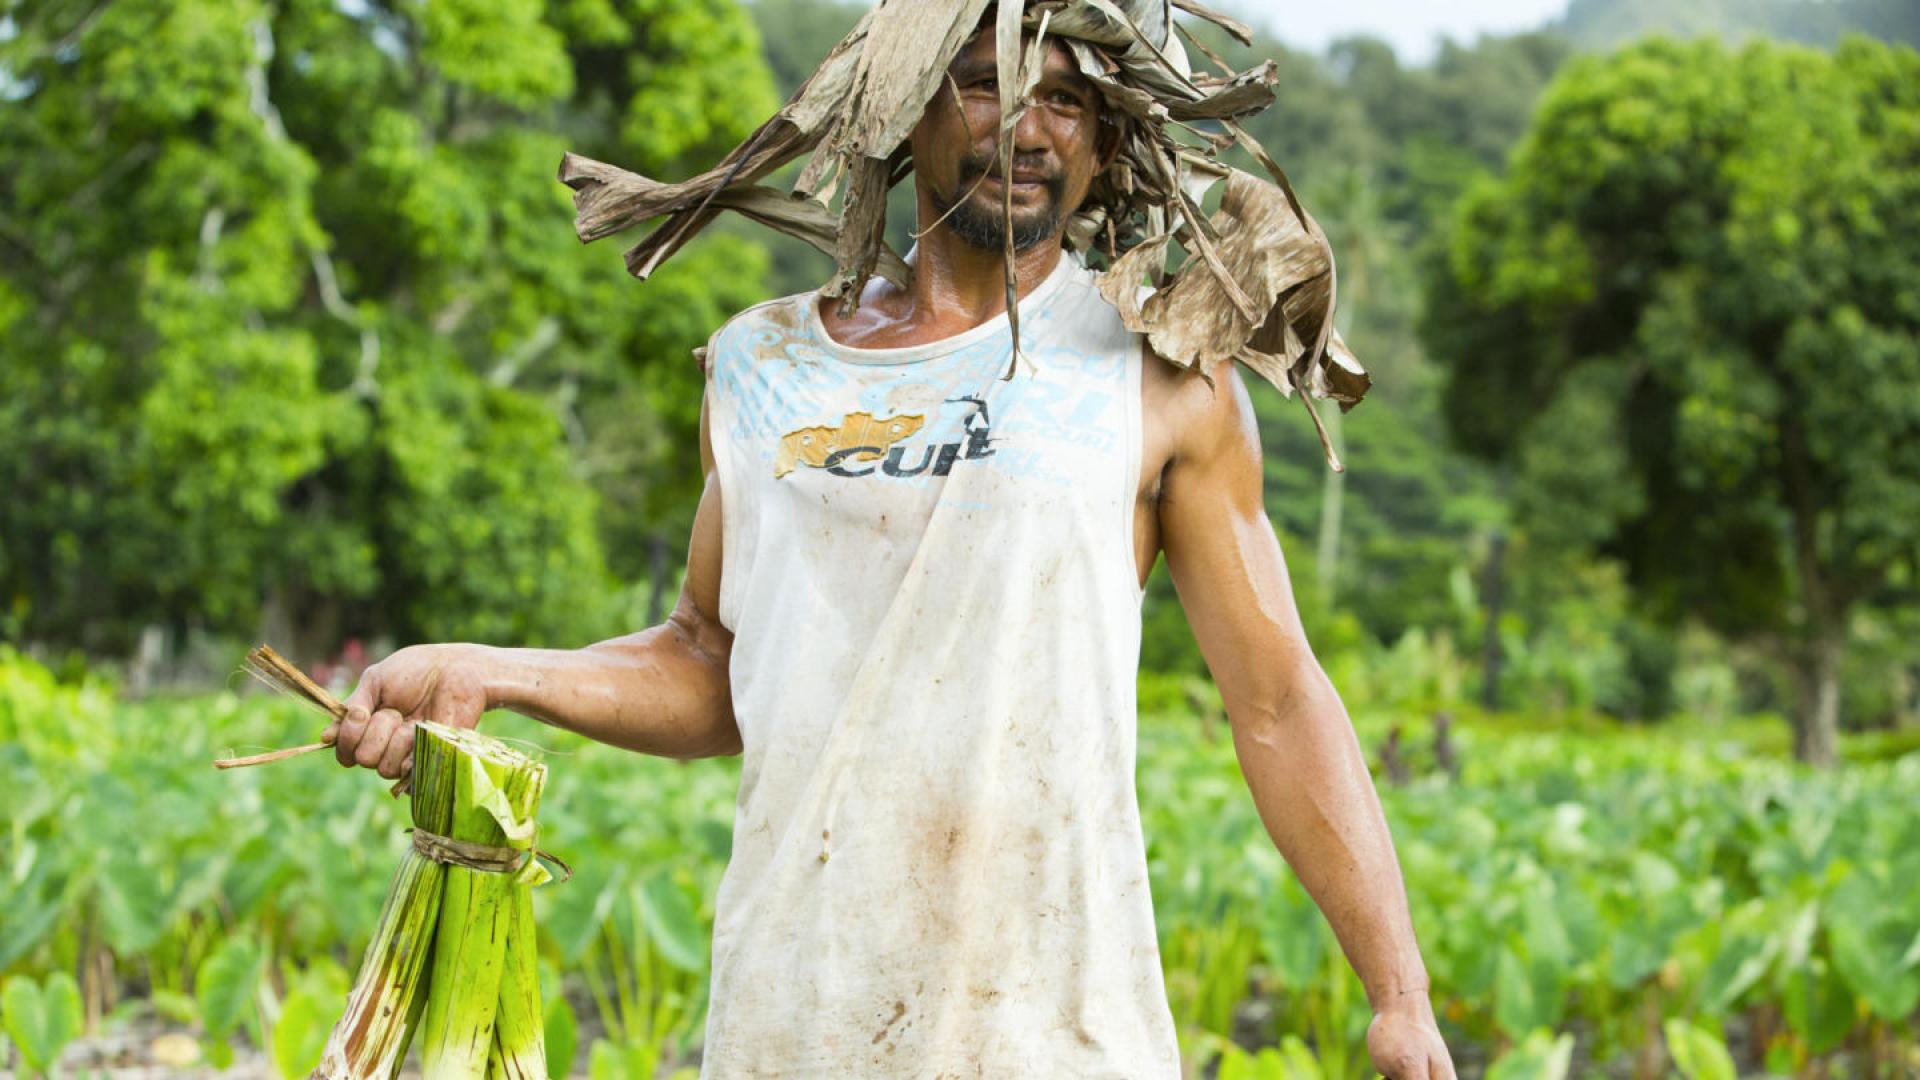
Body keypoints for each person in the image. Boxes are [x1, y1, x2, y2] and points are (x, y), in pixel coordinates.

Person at [328, 8, 1456, 1079]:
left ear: (1105, 136)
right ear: (901, 108)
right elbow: (712, 664)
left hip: (1055, 1026)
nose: (1025, 125)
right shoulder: (764, 368)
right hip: (797, 1013)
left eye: (1065, 98)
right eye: (982, 83)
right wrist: (490, 672)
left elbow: (1275, 699)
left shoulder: (1160, 373)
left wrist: (1398, 993)